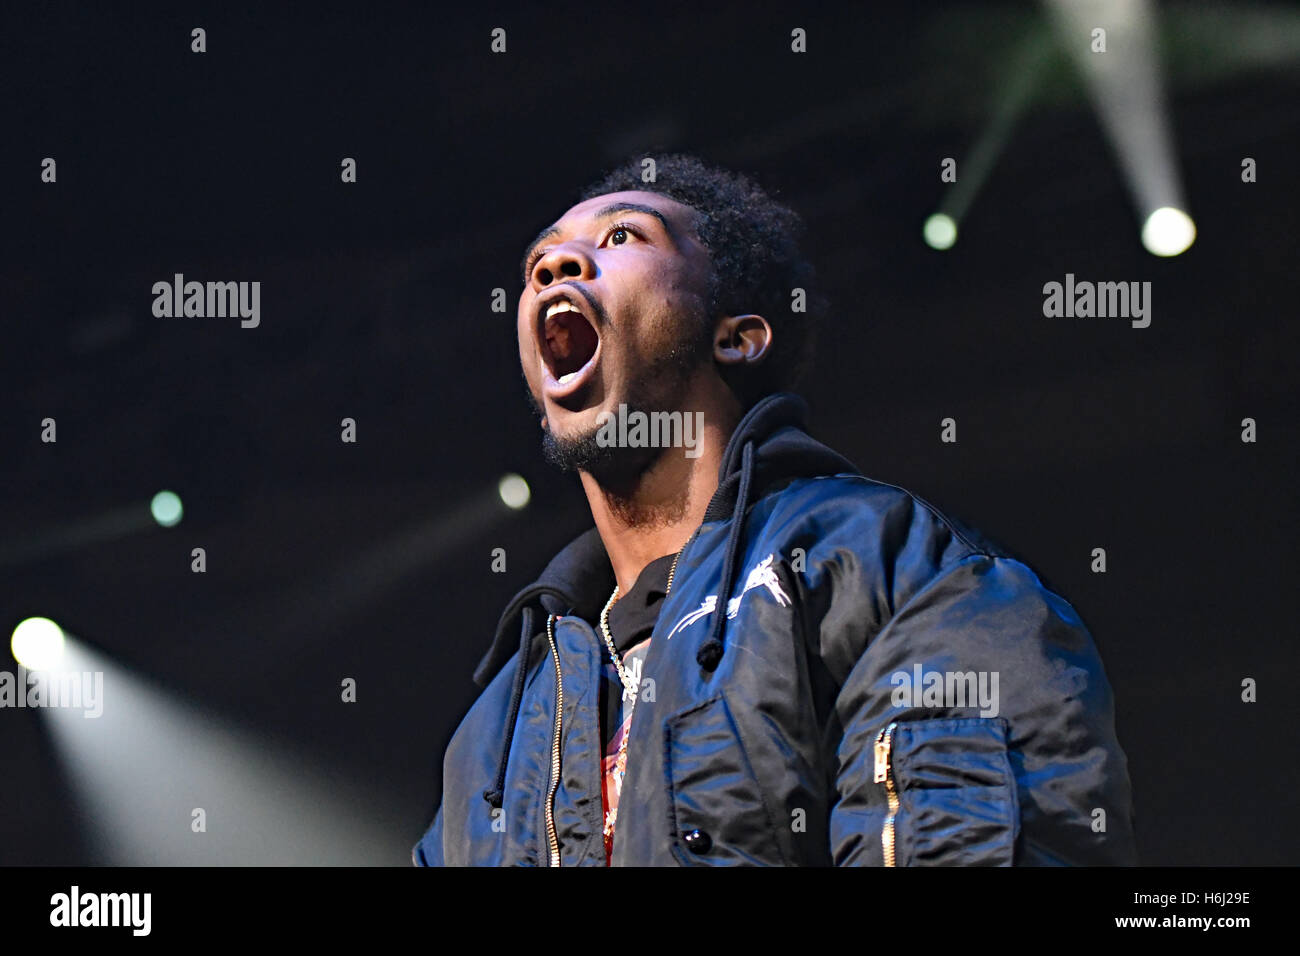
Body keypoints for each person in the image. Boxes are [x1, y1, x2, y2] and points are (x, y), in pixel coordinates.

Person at [413, 153, 1137, 866]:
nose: (555, 267)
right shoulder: (497, 727)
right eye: (541, 259)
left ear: (737, 334)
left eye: (620, 237)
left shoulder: (892, 572)